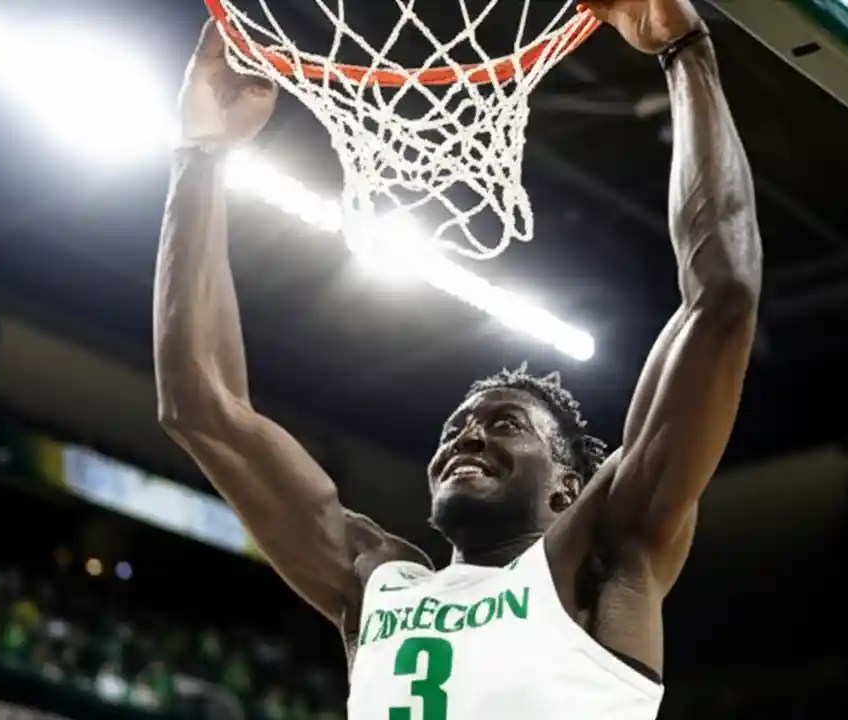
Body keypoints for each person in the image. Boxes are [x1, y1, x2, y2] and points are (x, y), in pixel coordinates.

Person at [154, 0, 761, 716]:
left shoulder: (604, 554)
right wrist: (200, 155)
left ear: (568, 488)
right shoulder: (377, 580)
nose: (466, 435)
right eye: (457, 429)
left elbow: (721, 299)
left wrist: (685, 49)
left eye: (505, 425)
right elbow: (201, 406)